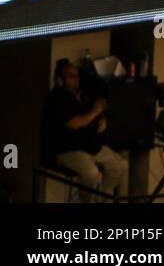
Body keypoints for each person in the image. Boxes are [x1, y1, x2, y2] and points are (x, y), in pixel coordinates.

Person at [44, 59, 128, 201]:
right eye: (71, 77)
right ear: (59, 80)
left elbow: (97, 111)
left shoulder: (83, 95)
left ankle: (105, 198)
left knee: (120, 166)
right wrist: (94, 112)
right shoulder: (56, 98)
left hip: (92, 146)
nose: (76, 80)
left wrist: (103, 119)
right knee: (92, 174)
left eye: (77, 76)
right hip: (69, 150)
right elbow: (73, 123)